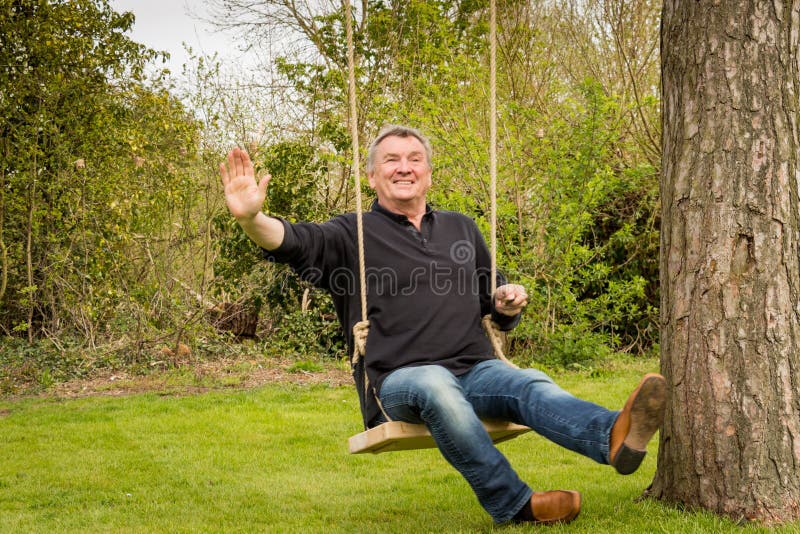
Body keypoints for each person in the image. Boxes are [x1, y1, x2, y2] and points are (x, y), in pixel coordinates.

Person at [219, 124, 667, 525]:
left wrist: (507, 303)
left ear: (429, 174)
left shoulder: (461, 228)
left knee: (529, 382)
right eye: (391, 160)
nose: (404, 167)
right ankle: (514, 504)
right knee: (436, 384)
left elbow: (494, 306)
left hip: (475, 370)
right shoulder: (350, 234)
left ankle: (611, 436)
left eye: (415, 159)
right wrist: (252, 218)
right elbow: (292, 242)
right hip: (400, 381)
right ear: (372, 176)